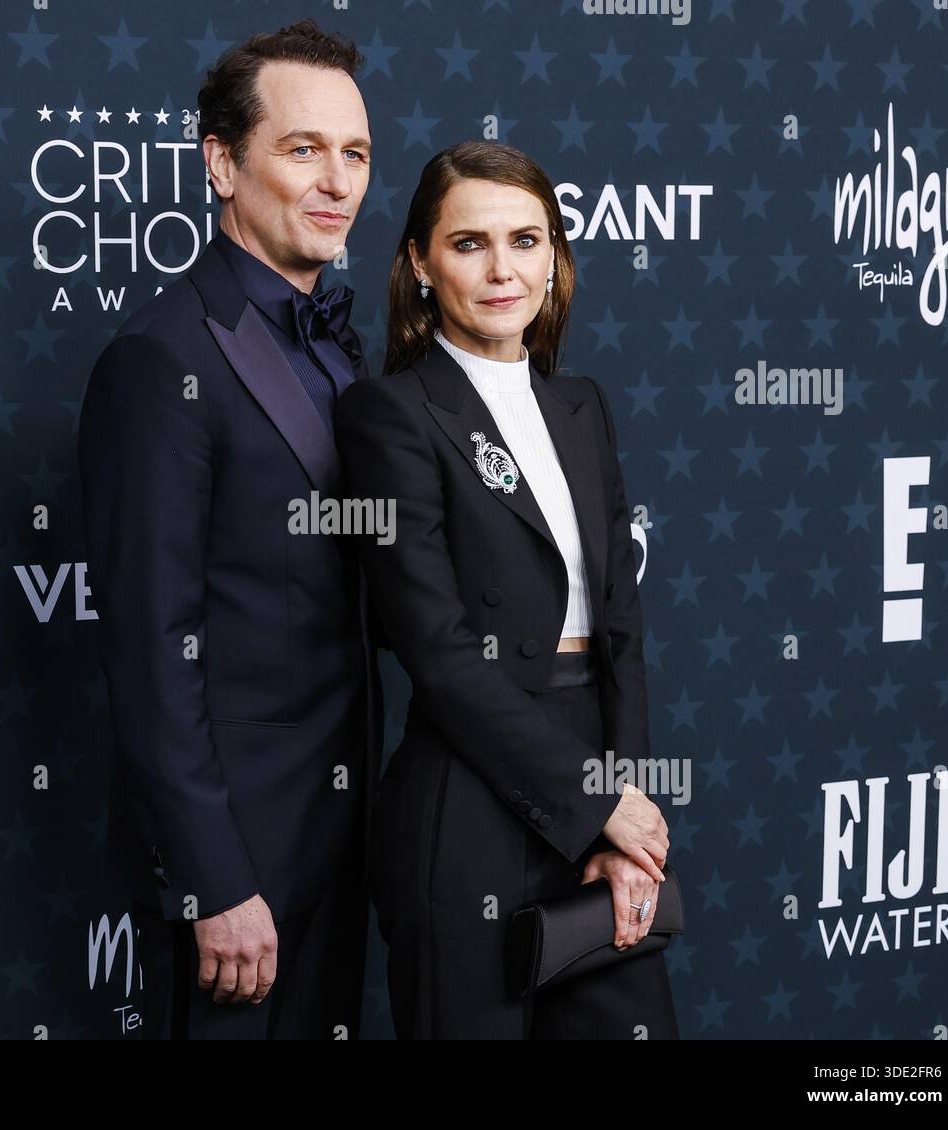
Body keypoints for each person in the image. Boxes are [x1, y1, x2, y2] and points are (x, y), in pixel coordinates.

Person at [335, 140, 680, 1039]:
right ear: (418, 261)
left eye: (526, 241)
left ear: (556, 259)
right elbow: (440, 659)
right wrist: (598, 800)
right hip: (467, 800)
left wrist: (620, 815)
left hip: (597, 781)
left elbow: (622, 636)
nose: (502, 271)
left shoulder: (582, 407)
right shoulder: (389, 414)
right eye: (468, 243)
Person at [77, 20, 380, 1040]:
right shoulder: (160, 359)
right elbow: (150, 649)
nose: (335, 181)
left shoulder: (344, 349)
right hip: (240, 864)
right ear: (221, 162)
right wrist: (210, 879)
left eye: (355, 154)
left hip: (344, 842)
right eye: (302, 149)